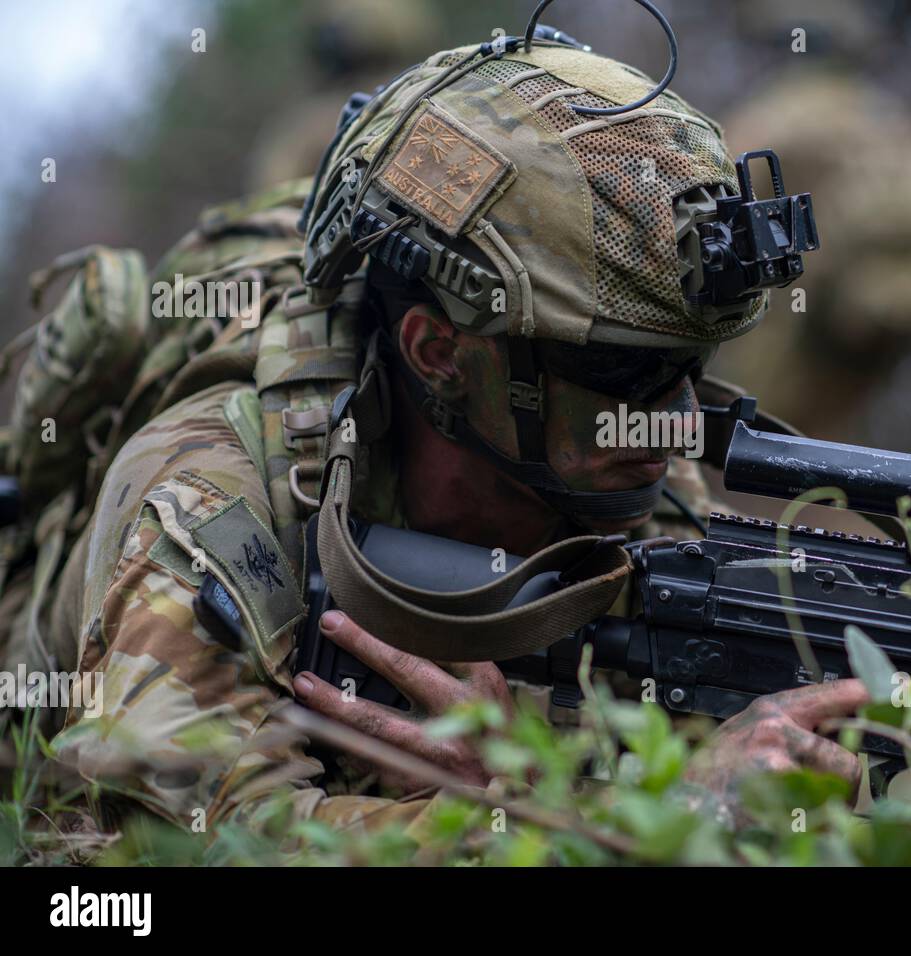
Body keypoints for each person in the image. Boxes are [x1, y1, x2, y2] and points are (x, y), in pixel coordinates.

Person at [48, 35, 869, 835]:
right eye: (623, 375)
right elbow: (165, 844)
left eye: (692, 366)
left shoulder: (626, 492)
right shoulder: (212, 494)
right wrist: (533, 826)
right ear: (438, 351)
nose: (681, 419)